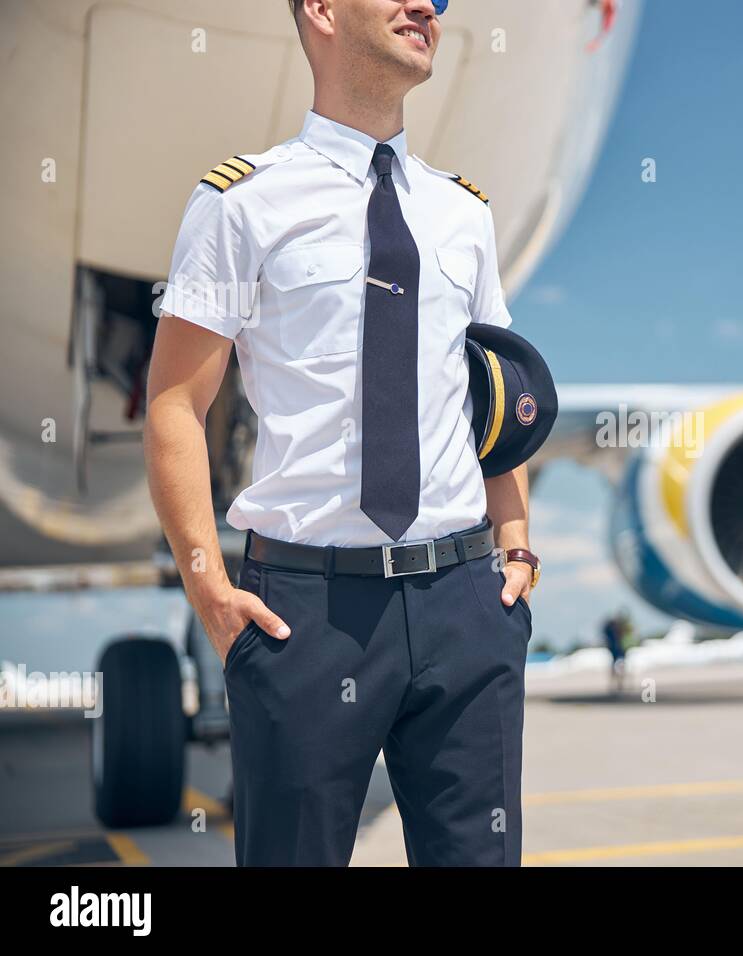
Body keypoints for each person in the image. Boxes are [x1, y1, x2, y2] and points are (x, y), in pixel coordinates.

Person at [144, 0, 540, 866]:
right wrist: (211, 592)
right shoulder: (242, 202)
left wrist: (515, 551)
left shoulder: (461, 215)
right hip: (305, 617)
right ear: (320, 9)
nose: (426, 7)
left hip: (465, 603)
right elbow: (174, 404)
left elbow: (495, 401)